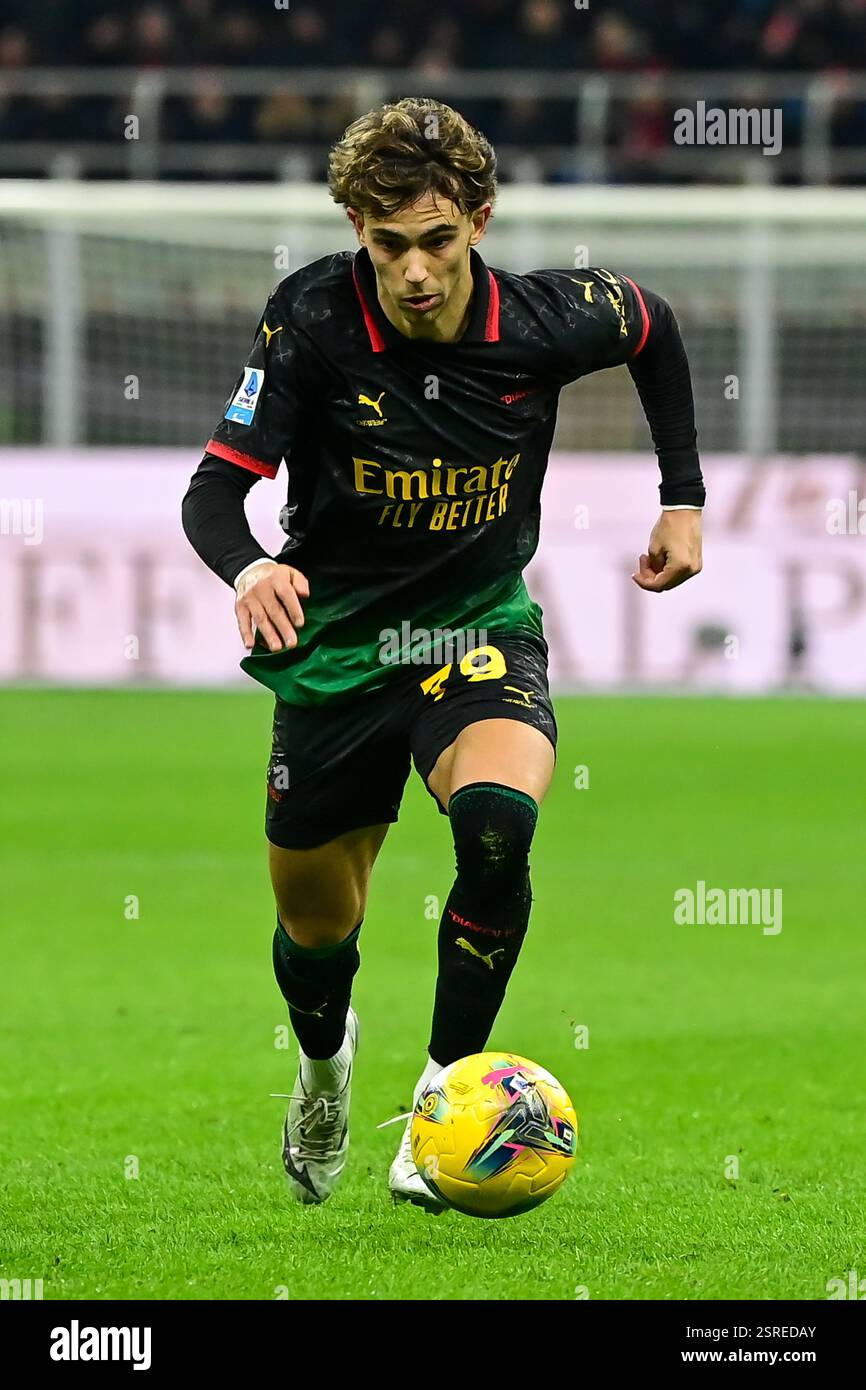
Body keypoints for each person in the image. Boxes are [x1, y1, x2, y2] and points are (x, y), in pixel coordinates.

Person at [181, 96, 704, 1208]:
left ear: (478, 217)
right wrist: (249, 568)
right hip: (337, 653)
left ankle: (434, 1108)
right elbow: (215, 489)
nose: (413, 271)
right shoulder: (314, 317)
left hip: (476, 627)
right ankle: (325, 1068)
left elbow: (652, 326)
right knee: (317, 930)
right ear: (355, 232)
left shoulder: (546, 317)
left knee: (497, 830)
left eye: (435, 240)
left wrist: (682, 501)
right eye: (386, 246)